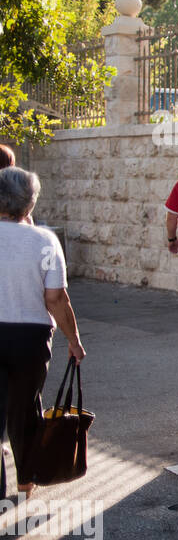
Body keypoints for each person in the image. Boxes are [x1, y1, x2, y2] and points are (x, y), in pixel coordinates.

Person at [0, 167, 86, 498]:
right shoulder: (44, 240)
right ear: (30, 203)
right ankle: (25, 481)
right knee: (24, 411)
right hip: (30, 339)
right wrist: (74, 341)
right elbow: (56, 298)